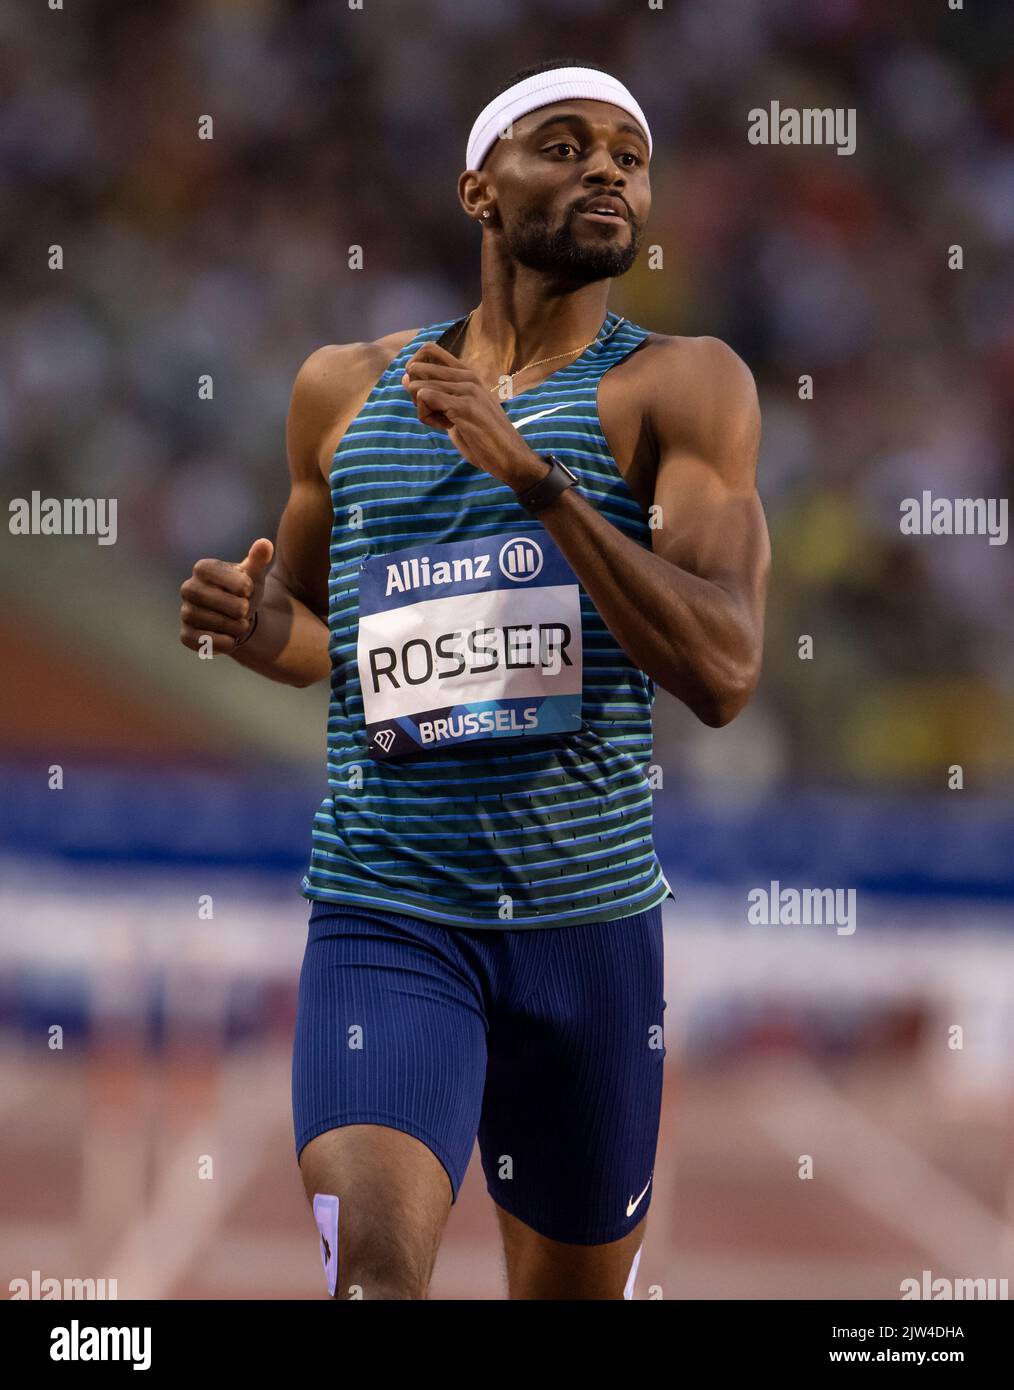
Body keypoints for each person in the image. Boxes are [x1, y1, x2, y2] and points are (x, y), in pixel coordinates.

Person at [179, 58, 769, 1300]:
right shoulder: (342, 391)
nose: (607, 166)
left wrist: (537, 479)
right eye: (564, 145)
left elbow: (723, 670)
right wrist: (252, 618)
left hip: (591, 932)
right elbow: (317, 640)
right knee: (376, 1281)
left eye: (628, 152)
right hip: (388, 915)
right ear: (479, 190)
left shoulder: (679, 384)